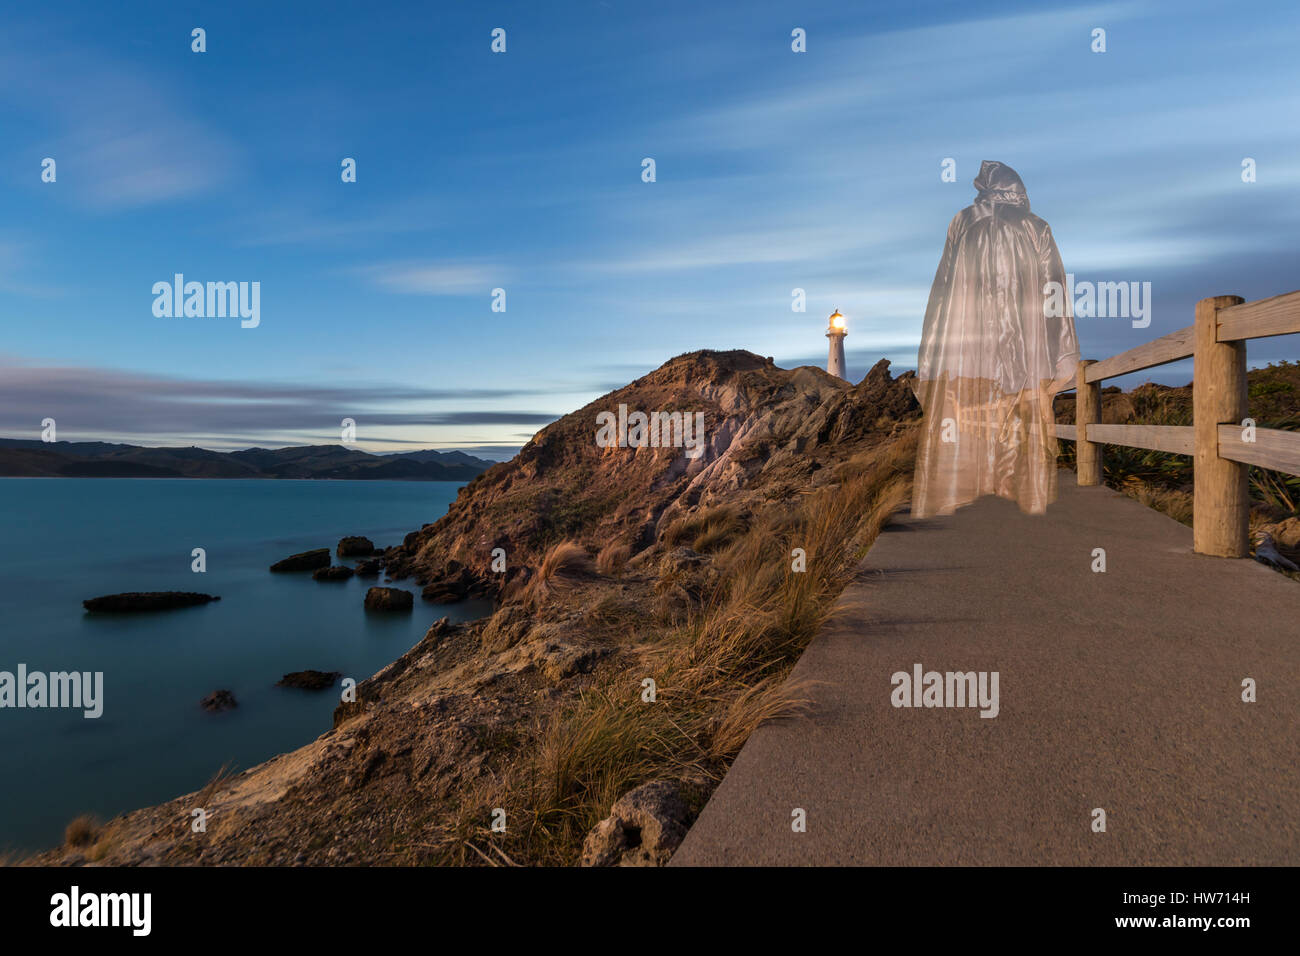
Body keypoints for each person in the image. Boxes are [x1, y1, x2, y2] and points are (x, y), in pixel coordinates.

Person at [912, 160, 1079, 518]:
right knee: (1019, 408)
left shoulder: (963, 221)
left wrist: (930, 353)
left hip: (968, 345)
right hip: (1025, 341)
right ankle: (1020, 489)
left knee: (970, 409)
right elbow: (1054, 291)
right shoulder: (1036, 227)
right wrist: (1060, 351)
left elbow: (942, 289)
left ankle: (966, 485)